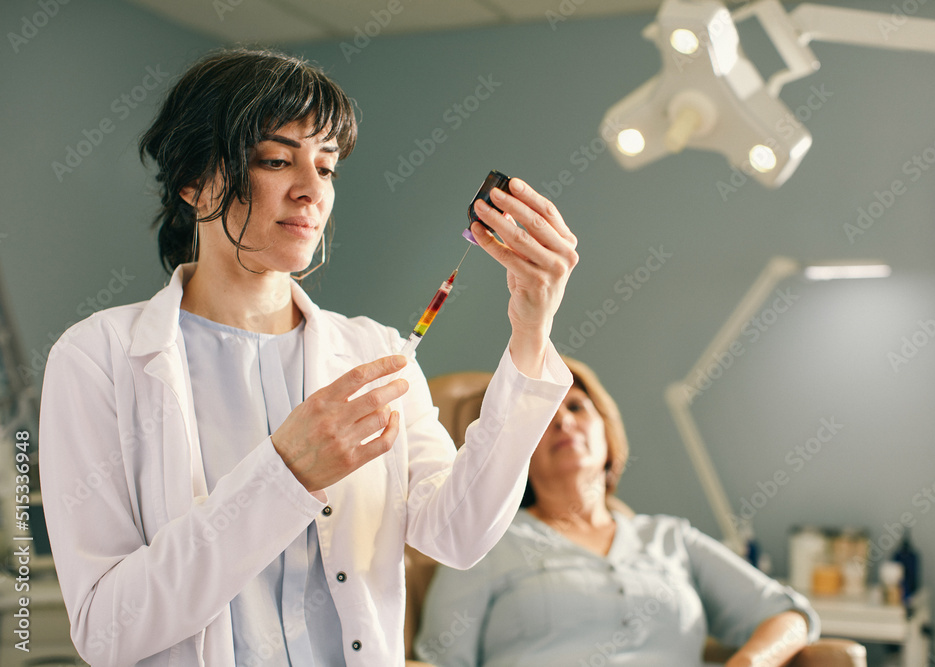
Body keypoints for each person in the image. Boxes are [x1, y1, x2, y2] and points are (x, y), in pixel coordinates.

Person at [38, 48, 578, 666]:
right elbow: (107, 633)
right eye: (275, 160)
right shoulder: (98, 358)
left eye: (326, 168)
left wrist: (532, 331)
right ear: (193, 181)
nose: (310, 191)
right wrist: (284, 473)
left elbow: (455, 534)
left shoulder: (374, 349)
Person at [414, 356, 820, 667]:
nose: (562, 421)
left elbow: (787, 614)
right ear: (513, 450)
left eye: (576, 407)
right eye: (541, 418)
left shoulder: (670, 538)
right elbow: (438, 660)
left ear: (607, 431)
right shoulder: (481, 543)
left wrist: (749, 663)